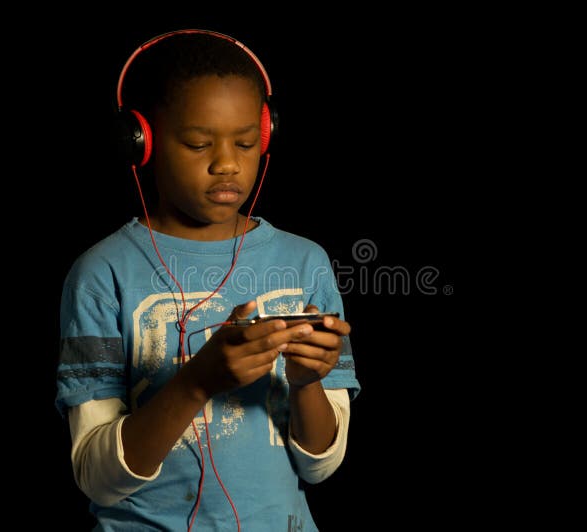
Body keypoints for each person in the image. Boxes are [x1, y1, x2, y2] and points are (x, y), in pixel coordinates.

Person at [55, 29, 360, 531]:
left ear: (266, 136)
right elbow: (96, 476)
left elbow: (320, 467)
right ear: (142, 142)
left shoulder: (306, 263)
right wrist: (197, 382)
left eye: (245, 142)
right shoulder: (101, 274)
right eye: (198, 144)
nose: (226, 163)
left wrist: (308, 383)